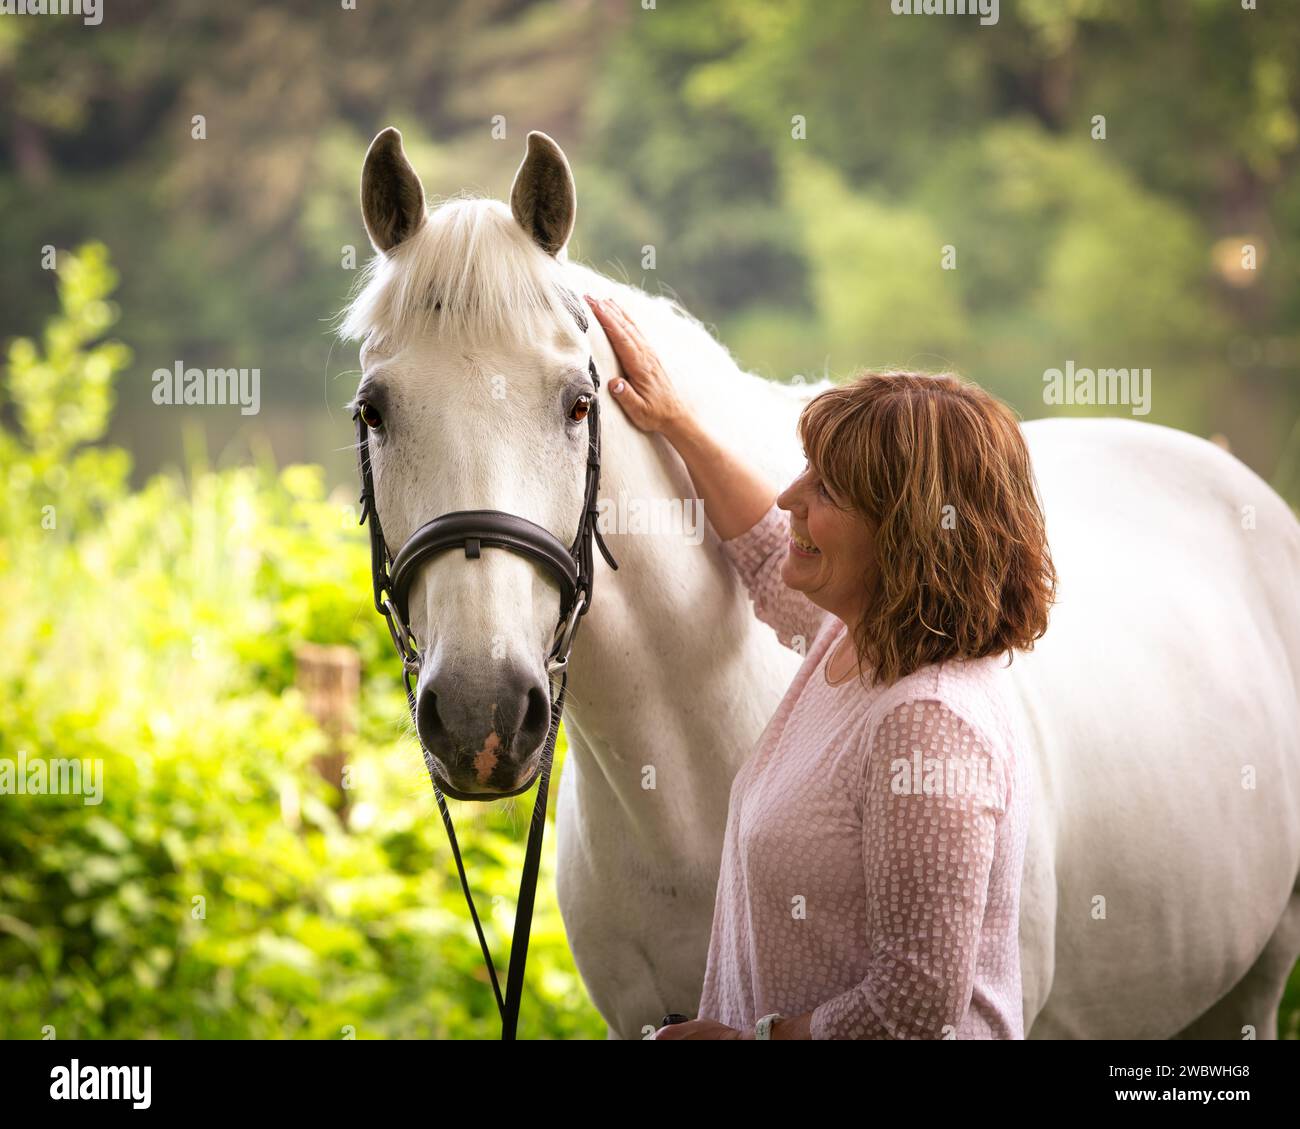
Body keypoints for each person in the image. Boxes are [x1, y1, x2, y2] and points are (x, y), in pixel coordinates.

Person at [584, 294, 1057, 1041]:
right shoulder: (860, 640)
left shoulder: (926, 725)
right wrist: (675, 423)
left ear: (905, 532)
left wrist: (755, 1042)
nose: (790, 496)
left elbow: (916, 1003)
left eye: (826, 489)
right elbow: (771, 550)